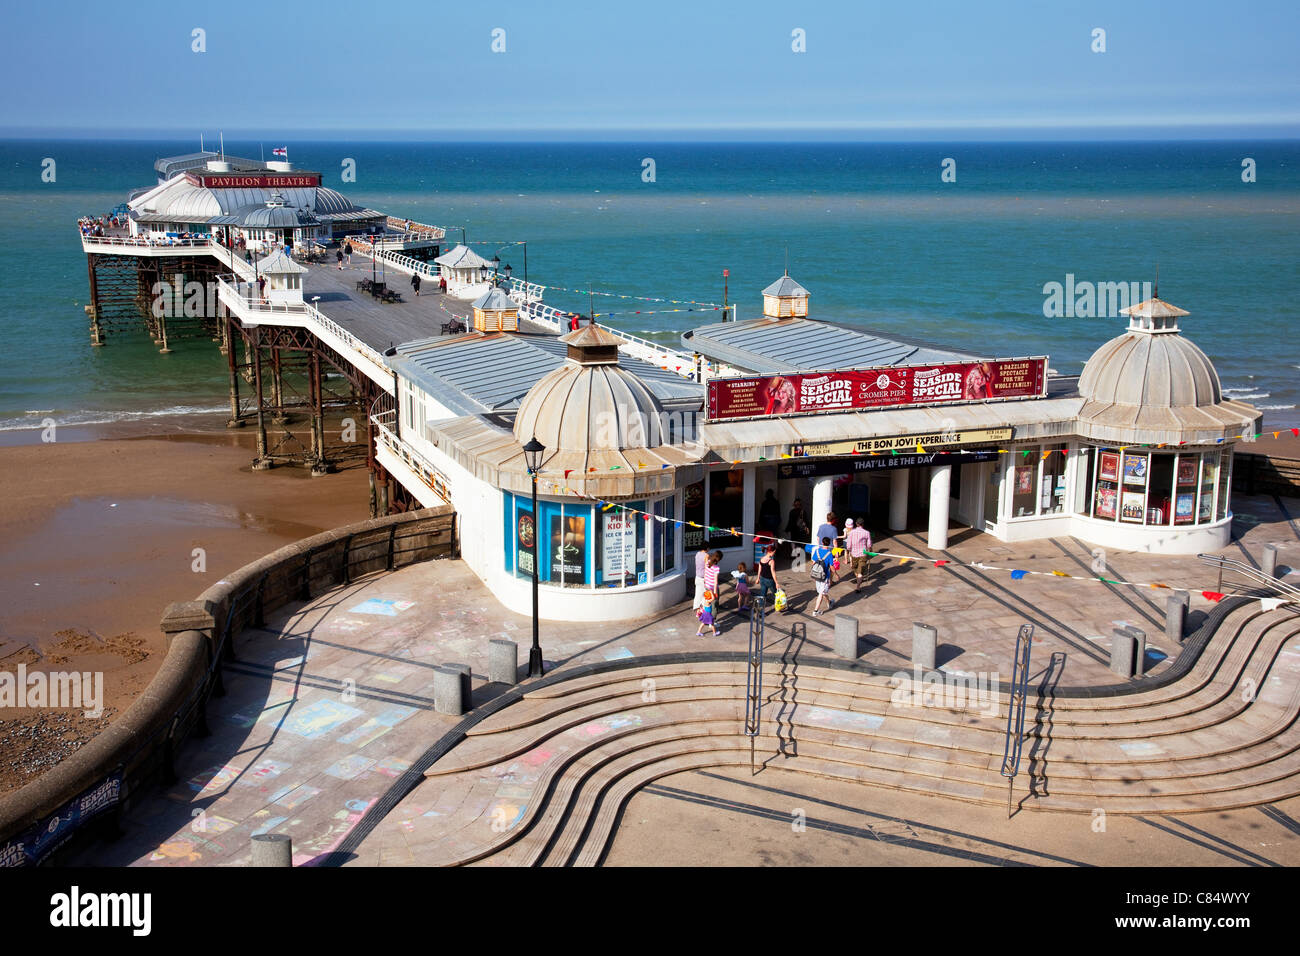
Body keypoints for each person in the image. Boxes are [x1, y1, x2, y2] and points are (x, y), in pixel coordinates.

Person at [806, 536, 836, 616]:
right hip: (824, 576)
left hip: (817, 575)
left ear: (822, 543)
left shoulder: (817, 551)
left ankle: (829, 603)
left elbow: (813, 562)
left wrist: (815, 572)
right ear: (829, 544)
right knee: (821, 594)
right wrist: (836, 575)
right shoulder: (829, 554)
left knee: (822, 592)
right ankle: (815, 611)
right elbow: (832, 567)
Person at [844, 517, 873, 590]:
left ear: (856, 524)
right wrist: (870, 551)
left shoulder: (851, 532)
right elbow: (869, 545)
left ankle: (858, 586)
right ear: (863, 524)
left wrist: (849, 551)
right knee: (859, 572)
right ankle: (858, 584)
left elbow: (848, 545)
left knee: (856, 570)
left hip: (854, 554)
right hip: (863, 554)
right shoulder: (867, 533)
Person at [757, 543, 781, 610]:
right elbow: (773, 573)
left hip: (762, 579)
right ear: (770, 552)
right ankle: (780, 606)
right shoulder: (771, 561)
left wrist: (758, 578)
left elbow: (759, 570)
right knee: (776, 594)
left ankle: (760, 611)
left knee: (762, 595)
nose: (774, 554)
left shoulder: (761, 559)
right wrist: (776, 583)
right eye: (774, 552)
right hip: (769, 580)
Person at [692, 546, 710, 610]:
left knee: (697, 594)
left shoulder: (697, 554)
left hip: (697, 577)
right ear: (707, 548)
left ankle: (696, 609)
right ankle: (702, 610)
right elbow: (707, 567)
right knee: (704, 595)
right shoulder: (706, 555)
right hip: (703, 578)